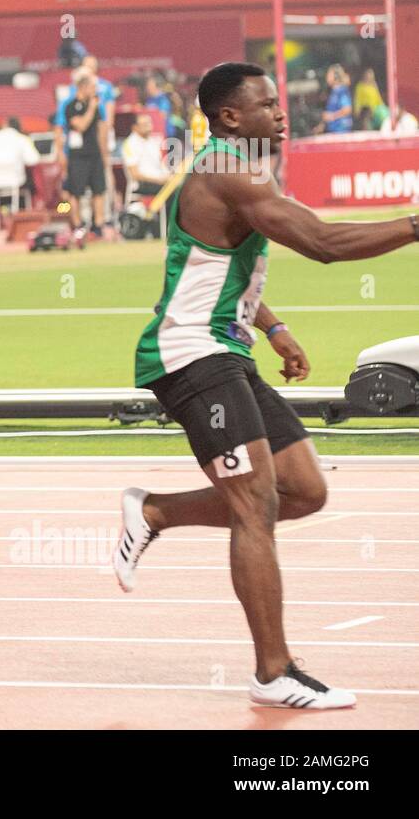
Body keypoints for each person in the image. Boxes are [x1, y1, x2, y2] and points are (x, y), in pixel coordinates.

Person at [122, 61, 419, 709]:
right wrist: (415, 225)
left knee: (305, 492)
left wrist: (274, 325)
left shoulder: (239, 167)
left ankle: (156, 510)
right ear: (231, 116)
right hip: (189, 354)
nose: (282, 114)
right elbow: (321, 242)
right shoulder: (225, 169)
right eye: (267, 104)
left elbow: (220, 264)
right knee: (255, 502)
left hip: (226, 349)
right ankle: (273, 671)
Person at [61, 72, 113, 236]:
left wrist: (104, 154)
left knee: (99, 189)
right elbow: (81, 125)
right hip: (77, 156)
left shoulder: (97, 107)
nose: (95, 90)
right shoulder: (70, 106)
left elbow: (101, 130)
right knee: (75, 191)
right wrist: (91, 107)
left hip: (94, 154)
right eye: (92, 87)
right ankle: (78, 224)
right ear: (83, 87)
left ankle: (98, 224)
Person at [0, 117, 39, 225]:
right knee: (29, 183)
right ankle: (23, 220)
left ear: (5, 125)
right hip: (14, 182)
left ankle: (0, 217)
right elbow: (33, 160)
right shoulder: (22, 138)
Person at [120, 112, 170, 201]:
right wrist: (159, 180)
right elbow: (135, 174)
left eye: (149, 123)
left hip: (159, 181)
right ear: (134, 128)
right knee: (172, 191)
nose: (148, 126)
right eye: (144, 124)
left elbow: (160, 166)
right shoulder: (130, 144)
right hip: (142, 184)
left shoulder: (152, 142)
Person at [321, 64, 353, 133]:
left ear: (336, 76)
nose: (327, 77)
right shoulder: (333, 92)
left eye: (329, 75)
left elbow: (347, 109)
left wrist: (332, 116)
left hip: (341, 130)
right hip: (334, 130)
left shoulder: (342, 91)